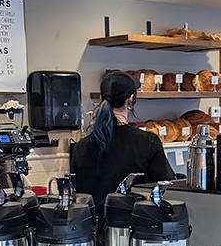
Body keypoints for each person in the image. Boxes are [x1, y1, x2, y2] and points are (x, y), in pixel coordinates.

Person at [70, 70, 175, 217]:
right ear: (131, 100)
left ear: (101, 99)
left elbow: (78, 194)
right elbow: (166, 187)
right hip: (135, 229)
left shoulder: (81, 146)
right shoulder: (148, 142)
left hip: (91, 232)